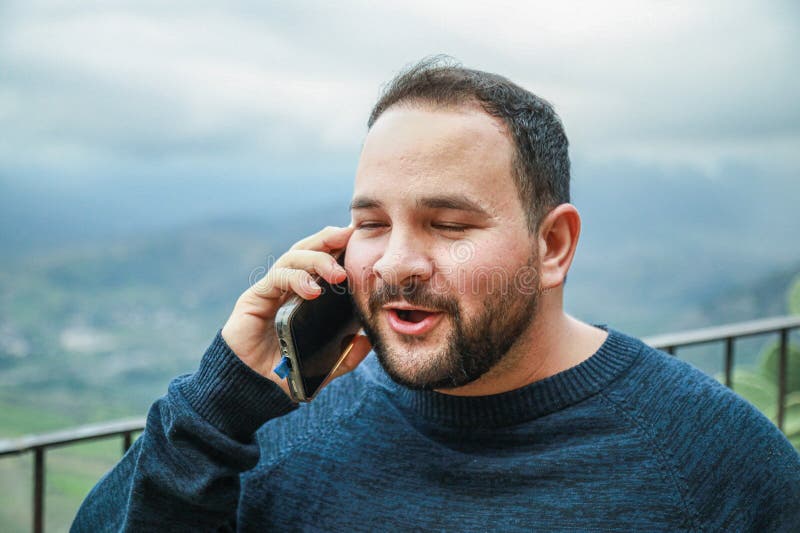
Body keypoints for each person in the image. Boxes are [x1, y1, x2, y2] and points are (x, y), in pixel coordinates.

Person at [72, 58, 800, 532]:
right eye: (369, 223)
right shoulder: (270, 432)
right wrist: (218, 404)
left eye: (448, 224)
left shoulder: (710, 461)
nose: (397, 261)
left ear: (553, 246)